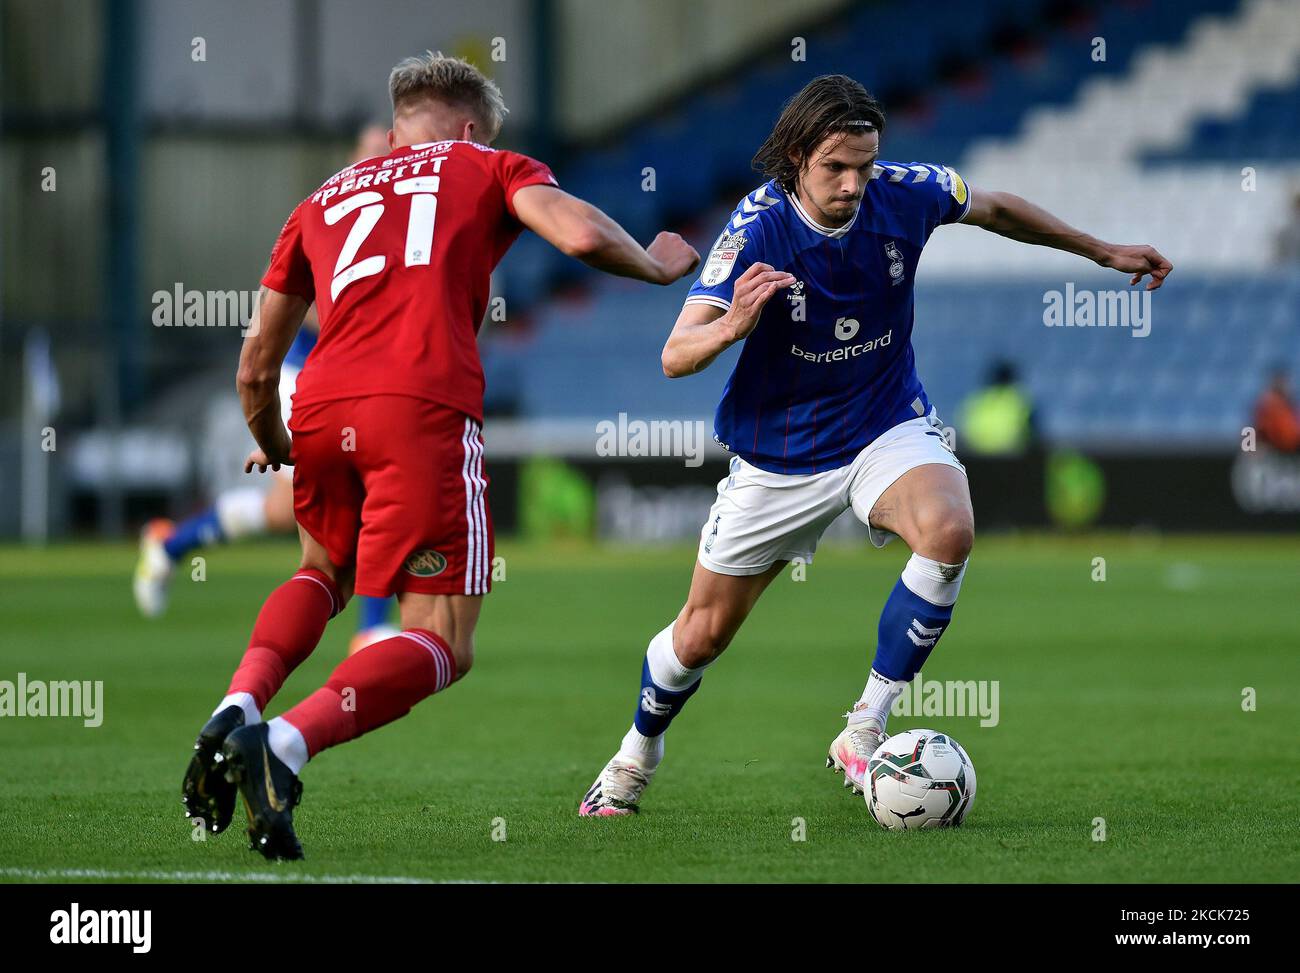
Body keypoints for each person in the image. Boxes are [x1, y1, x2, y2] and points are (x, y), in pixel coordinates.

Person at [578, 74, 1171, 816]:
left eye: (864, 164)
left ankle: (864, 724)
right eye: (836, 167)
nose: (854, 183)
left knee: (950, 529)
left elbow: (994, 207)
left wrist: (1099, 250)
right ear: (796, 157)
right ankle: (635, 755)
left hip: (883, 425)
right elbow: (676, 352)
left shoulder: (902, 191)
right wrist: (731, 326)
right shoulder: (757, 227)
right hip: (780, 456)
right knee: (699, 637)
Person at [180, 51, 699, 859]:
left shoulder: (320, 199)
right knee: (443, 639)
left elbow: (254, 363)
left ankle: (239, 701)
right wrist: (656, 264)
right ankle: (282, 744)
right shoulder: (486, 163)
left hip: (318, 405)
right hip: (420, 405)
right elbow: (579, 231)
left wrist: (276, 441)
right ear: (467, 127)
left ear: (394, 131)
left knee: (322, 571)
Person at [135, 123, 400, 655]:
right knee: (373, 480)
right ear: (353, 160)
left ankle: (170, 543)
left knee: (285, 513)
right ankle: (374, 626)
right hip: (307, 377)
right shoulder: (328, 215)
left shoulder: (400, 223)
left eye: (387, 151)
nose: (381, 160)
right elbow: (292, 309)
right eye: (371, 151)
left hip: (356, 378)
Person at [957, 359, 1037, 456]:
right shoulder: (1020, 400)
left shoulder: (976, 400)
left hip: (977, 457)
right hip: (1011, 457)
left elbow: (964, 431)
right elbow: (1031, 434)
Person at [1252, 366, 1300, 452]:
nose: (1288, 386)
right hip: (1273, 450)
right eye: (1283, 382)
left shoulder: (1290, 404)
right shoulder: (1268, 404)